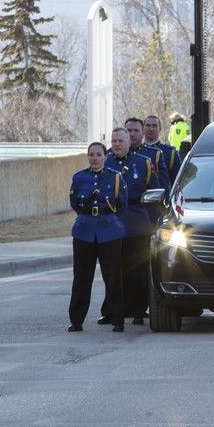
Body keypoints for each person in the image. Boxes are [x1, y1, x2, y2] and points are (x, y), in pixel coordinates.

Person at [100, 127, 158, 326]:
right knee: (112, 269)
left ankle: (138, 310)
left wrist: (152, 223)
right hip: (111, 222)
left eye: (120, 141)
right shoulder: (103, 162)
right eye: (114, 140)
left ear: (129, 143)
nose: (116, 144)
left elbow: (153, 193)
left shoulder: (143, 163)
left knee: (138, 270)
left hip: (137, 223)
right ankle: (112, 310)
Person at [68, 142, 128, 333]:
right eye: (91, 155)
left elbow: (122, 204)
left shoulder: (116, 177)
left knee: (112, 277)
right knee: (81, 278)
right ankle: (76, 320)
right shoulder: (79, 178)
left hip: (108, 230)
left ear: (105, 156)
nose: (95, 158)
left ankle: (117, 319)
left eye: (98, 154)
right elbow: (75, 203)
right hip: (84, 231)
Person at [144, 114, 183, 182]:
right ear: (143, 128)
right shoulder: (136, 152)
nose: (151, 129)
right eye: (148, 125)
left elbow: (177, 180)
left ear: (160, 129)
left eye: (154, 125)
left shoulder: (171, 152)